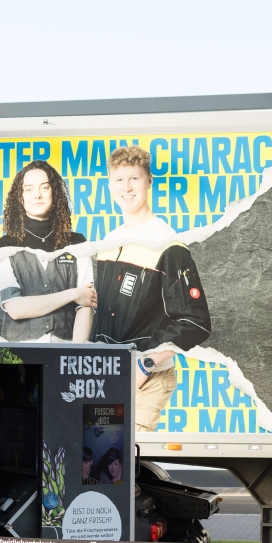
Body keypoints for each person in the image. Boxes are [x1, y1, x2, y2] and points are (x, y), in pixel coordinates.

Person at [90, 146, 211, 431]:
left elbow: (196, 322)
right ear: (109, 185)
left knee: (123, 463)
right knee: (99, 464)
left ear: (149, 182)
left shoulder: (167, 245)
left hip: (145, 379)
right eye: (119, 180)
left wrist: (144, 364)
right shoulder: (108, 242)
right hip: (108, 375)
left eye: (134, 178)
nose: (126, 188)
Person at [0, 160, 95, 342]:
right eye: (28, 189)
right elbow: (16, 309)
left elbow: (86, 304)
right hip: (20, 355)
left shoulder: (77, 242)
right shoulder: (6, 245)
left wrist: (75, 354)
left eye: (44, 188)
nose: (37, 195)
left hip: (68, 348)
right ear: (20, 197)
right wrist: (73, 294)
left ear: (54, 191)